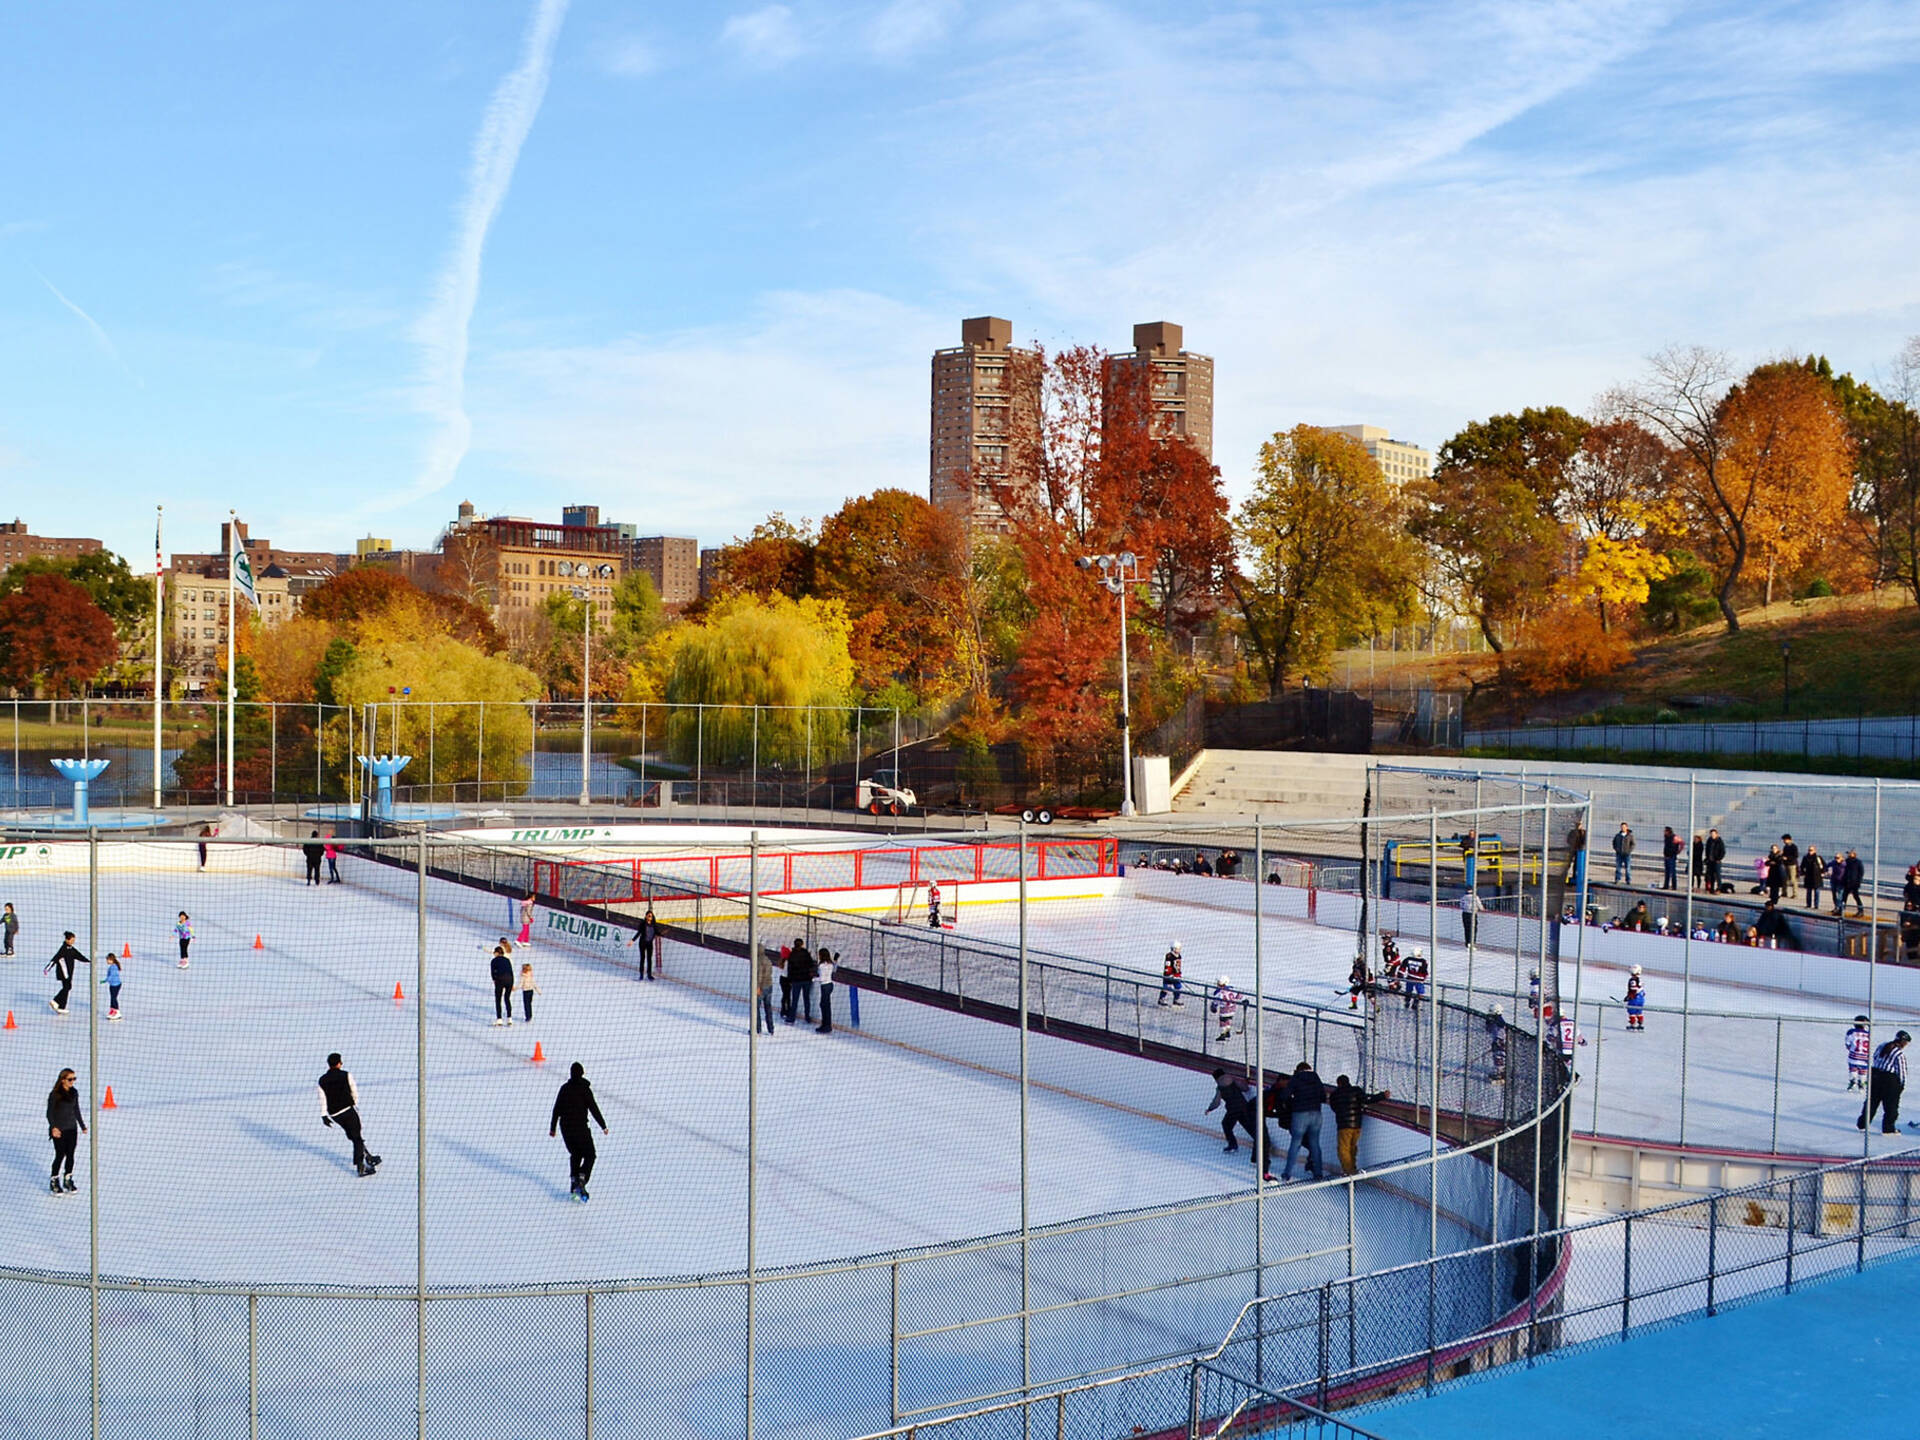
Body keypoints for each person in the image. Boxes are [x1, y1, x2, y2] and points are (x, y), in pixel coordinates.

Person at [551, 1062, 609, 1202]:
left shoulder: (564, 1089)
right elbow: (593, 1108)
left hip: (566, 1128)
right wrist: (603, 1126)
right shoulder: (584, 1089)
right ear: (582, 1073)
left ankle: (574, 1182)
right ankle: (581, 1178)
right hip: (580, 1128)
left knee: (575, 1154)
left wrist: (553, 1128)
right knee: (590, 1155)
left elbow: (556, 1109)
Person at [317, 1052, 380, 1177]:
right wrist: (353, 1103)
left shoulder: (322, 1080)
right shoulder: (346, 1075)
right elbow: (354, 1091)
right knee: (357, 1138)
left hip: (335, 1114)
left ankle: (368, 1157)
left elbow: (322, 1098)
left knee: (353, 1135)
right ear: (339, 1063)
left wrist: (324, 1115)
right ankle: (361, 1167)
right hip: (348, 1110)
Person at [1328, 1074, 1390, 1176]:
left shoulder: (1335, 1094)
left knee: (1343, 1150)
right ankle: (1352, 1170)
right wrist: (1382, 1095)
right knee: (1352, 1148)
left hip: (1344, 1126)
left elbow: (1334, 1107)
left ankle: (1349, 1173)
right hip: (1357, 1125)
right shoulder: (1356, 1090)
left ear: (1338, 1084)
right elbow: (1367, 1099)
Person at [1281, 1061, 1327, 1183]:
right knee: (1315, 1144)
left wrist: (1294, 1101)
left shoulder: (1296, 1078)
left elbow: (1285, 1095)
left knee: (1295, 1143)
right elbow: (1323, 1097)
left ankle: (1287, 1173)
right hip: (1316, 1114)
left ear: (1298, 1070)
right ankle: (1318, 1173)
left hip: (1300, 1113)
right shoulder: (1316, 1078)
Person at [1858, 1031, 1911, 1134]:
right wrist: (1901, 1085)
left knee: (1871, 1102)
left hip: (1875, 1075)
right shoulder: (1899, 1054)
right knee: (1891, 1106)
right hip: (1889, 1080)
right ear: (1903, 1042)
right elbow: (1902, 1071)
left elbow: (1875, 1057)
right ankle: (1888, 1128)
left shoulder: (1882, 1045)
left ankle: (1862, 1124)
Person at [46, 1068, 85, 1193]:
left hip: (71, 1128)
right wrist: (54, 1127)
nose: (72, 1081)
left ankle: (68, 1178)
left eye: (74, 1079)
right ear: (63, 1080)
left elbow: (76, 1110)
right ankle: (54, 1180)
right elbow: (49, 1113)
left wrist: (82, 1125)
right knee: (60, 1154)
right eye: (70, 1079)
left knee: (70, 1154)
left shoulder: (74, 1093)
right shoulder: (55, 1094)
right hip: (59, 1130)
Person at [1205, 1069, 1260, 1154]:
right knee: (1248, 1126)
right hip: (1243, 1106)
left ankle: (1233, 1145)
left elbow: (1216, 1102)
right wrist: (1246, 1082)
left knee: (1226, 1125)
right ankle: (1261, 1142)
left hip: (1233, 1109)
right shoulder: (1233, 1080)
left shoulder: (1220, 1088)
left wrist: (1209, 1109)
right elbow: (1245, 1088)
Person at [46, 931, 87, 1013]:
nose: (73, 942)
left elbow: (78, 955)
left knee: (67, 987)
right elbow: (55, 958)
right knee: (67, 987)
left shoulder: (71, 948)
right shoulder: (63, 949)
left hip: (69, 972)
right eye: (72, 940)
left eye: (74, 940)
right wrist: (47, 968)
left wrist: (88, 960)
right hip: (64, 973)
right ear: (67, 940)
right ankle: (55, 1001)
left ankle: (62, 1007)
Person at [786, 939, 816, 1025]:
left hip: (796, 980)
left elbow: (790, 969)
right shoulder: (806, 954)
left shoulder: (792, 954)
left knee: (795, 999)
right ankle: (807, 1017)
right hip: (806, 979)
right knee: (806, 999)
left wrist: (789, 979)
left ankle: (792, 1018)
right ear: (802, 944)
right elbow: (811, 964)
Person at [489, 945, 516, 1026]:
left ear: (497, 953)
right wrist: (512, 983)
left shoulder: (494, 961)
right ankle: (509, 1018)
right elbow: (511, 971)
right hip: (509, 980)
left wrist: (495, 980)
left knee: (498, 999)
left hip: (500, 980)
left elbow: (493, 973)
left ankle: (499, 1019)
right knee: (507, 998)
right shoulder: (507, 960)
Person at [1210, 977, 1240, 1044]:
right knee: (1228, 1020)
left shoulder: (1220, 992)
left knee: (1223, 1022)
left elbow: (1216, 1000)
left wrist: (1214, 1006)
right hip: (1232, 1009)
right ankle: (1228, 1032)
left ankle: (1223, 1035)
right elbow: (1239, 996)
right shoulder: (1232, 989)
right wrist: (1244, 1000)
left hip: (1224, 1010)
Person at [1846, 1016, 1872, 1091]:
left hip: (1854, 1056)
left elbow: (1848, 1043)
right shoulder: (1869, 1034)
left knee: (1853, 1069)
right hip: (1865, 1057)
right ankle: (1862, 1083)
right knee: (1863, 1071)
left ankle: (1853, 1082)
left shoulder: (1851, 1032)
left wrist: (1851, 1048)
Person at [755, 948, 777, 1036]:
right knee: (768, 1008)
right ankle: (771, 1029)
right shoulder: (768, 960)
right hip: (769, 985)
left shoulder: (758, 961)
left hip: (761, 986)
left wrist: (758, 987)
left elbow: (759, 975)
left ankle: (757, 1029)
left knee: (755, 1008)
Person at [633, 906, 659, 980]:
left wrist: (660, 934)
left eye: (651, 916)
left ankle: (649, 974)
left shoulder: (654, 925)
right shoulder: (643, 924)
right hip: (642, 943)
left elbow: (657, 932)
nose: (650, 917)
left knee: (649, 959)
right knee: (642, 958)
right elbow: (639, 933)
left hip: (649, 943)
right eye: (648, 916)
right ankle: (641, 974)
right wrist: (633, 940)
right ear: (646, 916)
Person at [815, 948, 837, 1034]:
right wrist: (835, 961)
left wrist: (813, 979)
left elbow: (822, 978)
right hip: (830, 985)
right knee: (825, 1005)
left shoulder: (821, 966)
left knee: (824, 1006)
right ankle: (825, 1024)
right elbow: (834, 970)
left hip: (825, 986)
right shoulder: (830, 964)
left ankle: (826, 1025)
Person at [1487, 1006, 1510, 1082]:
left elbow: (1501, 1033)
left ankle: (1500, 1073)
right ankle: (1499, 1071)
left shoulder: (1499, 1022)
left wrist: (1498, 1042)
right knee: (1496, 1056)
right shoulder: (1495, 1021)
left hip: (1500, 1043)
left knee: (1499, 1057)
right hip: (1497, 1041)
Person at [1840, 850, 1866, 917]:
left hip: (1854, 883)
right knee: (1844, 897)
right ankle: (1841, 910)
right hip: (1847, 882)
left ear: (1854, 854)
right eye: (1848, 854)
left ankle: (1861, 911)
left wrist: (1858, 882)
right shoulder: (1846, 861)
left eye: (1850, 853)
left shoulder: (1858, 862)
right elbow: (1844, 871)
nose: (1848, 855)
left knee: (1856, 896)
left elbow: (1861, 873)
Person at [1800, 846, 1826, 910]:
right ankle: (1808, 905)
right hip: (1808, 876)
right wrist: (1803, 873)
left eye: (1811, 850)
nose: (1810, 851)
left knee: (1817, 892)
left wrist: (1823, 873)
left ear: (1815, 851)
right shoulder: (1805, 857)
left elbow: (1824, 865)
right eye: (1809, 850)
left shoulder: (1818, 858)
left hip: (1817, 877)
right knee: (1808, 892)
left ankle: (1816, 905)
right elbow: (1802, 866)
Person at [1160, 942, 1185, 1007]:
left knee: (1178, 987)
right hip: (1169, 976)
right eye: (1178, 949)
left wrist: (1178, 973)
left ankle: (1176, 999)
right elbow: (1167, 967)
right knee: (1167, 987)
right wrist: (1169, 974)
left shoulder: (1179, 956)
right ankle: (1162, 999)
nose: (1179, 950)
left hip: (1176, 976)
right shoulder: (1169, 956)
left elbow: (1178, 966)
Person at [1703, 829, 1726, 893]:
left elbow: (1723, 851)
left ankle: (1719, 888)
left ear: (1716, 834)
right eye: (1711, 834)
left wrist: (1719, 859)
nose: (1712, 835)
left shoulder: (1720, 841)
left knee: (1718, 875)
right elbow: (1707, 850)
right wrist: (1707, 858)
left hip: (1716, 861)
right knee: (1711, 875)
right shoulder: (1709, 840)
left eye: (1713, 834)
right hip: (1710, 861)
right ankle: (1711, 888)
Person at [1624, 967, 1646, 1031]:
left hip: (1634, 999)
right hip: (1641, 999)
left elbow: (1633, 989)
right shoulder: (1640, 979)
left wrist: (1629, 996)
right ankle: (1640, 1024)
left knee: (1632, 1011)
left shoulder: (1632, 980)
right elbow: (1643, 991)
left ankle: (1633, 1024)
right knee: (1639, 1012)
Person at [104, 954, 123, 1020]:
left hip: (116, 985)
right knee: (112, 998)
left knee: (114, 998)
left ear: (111, 960)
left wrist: (106, 980)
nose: (107, 961)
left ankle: (117, 1011)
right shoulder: (112, 966)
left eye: (108, 960)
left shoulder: (113, 967)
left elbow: (111, 976)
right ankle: (112, 1010)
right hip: (112, 984)